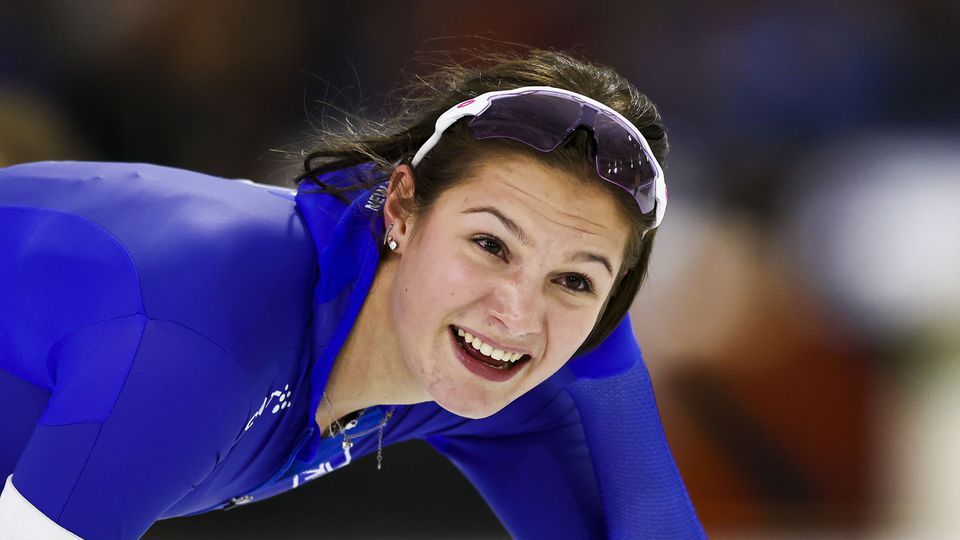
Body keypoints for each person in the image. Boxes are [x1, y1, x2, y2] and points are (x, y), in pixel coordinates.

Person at [0, 49, 705, 539]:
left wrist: (605, 360)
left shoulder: (480, 375)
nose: (516, 314)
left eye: (574, 279)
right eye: (490, 245)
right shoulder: (206, 341)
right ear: (400, 208)